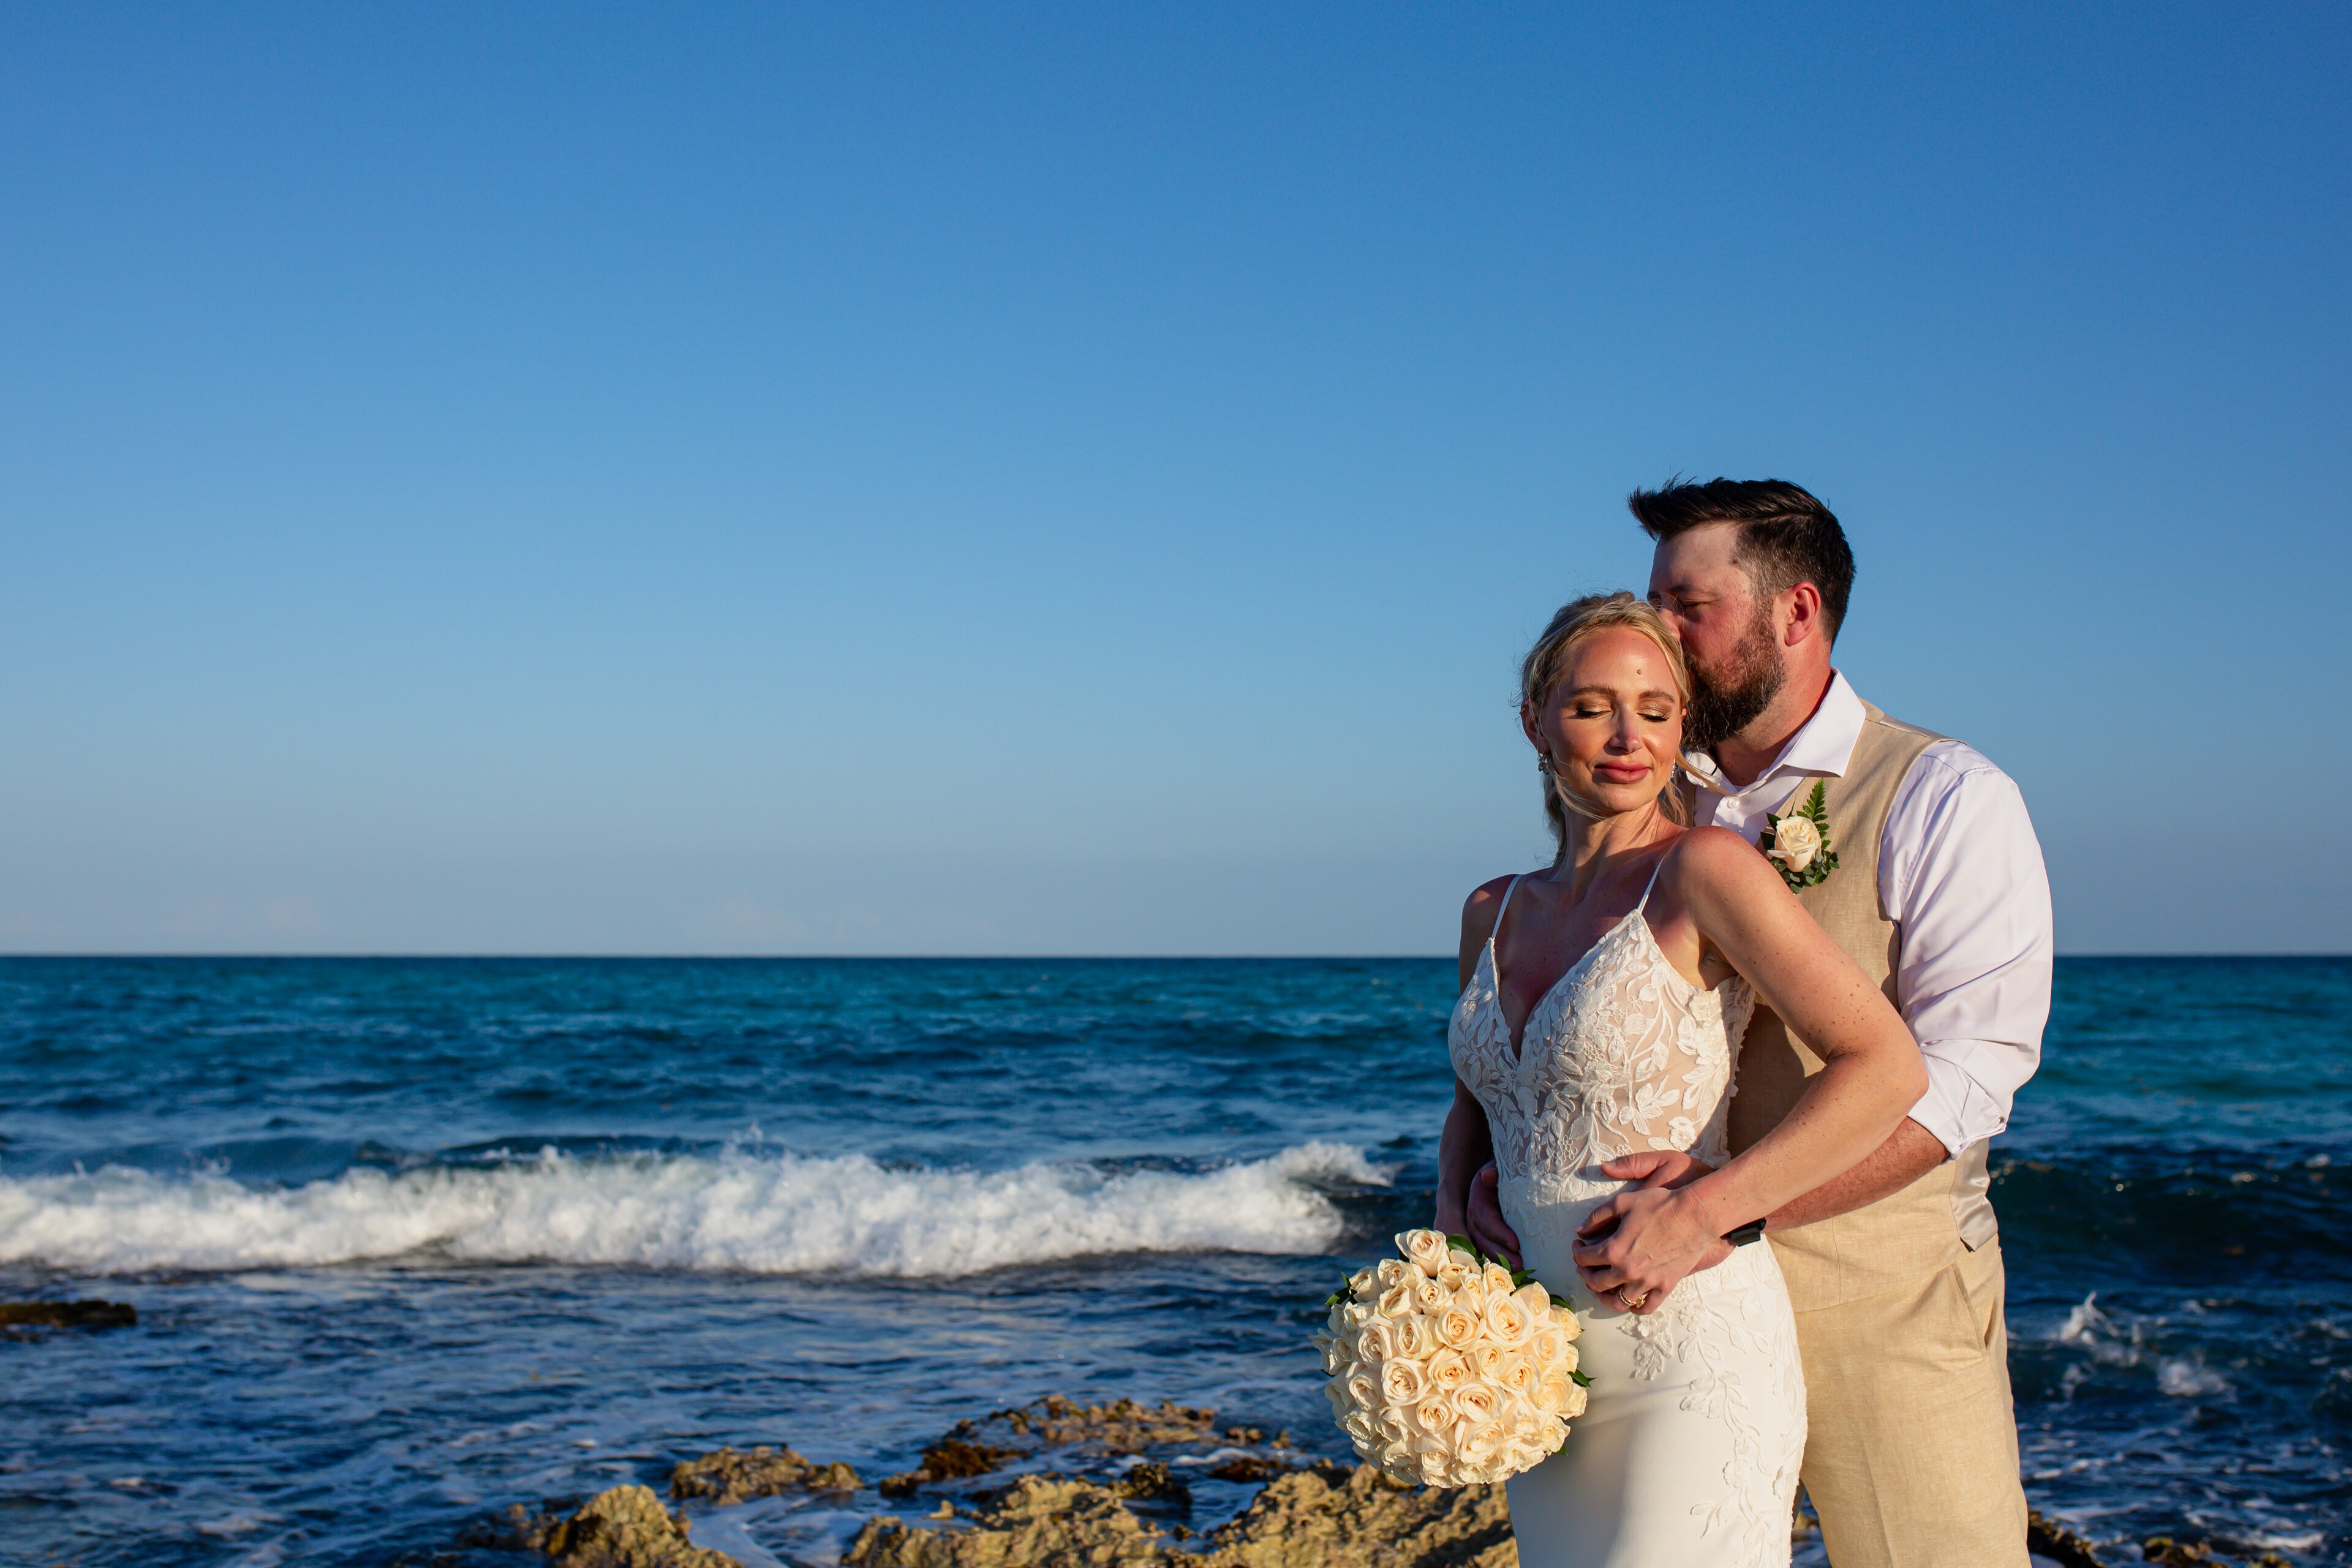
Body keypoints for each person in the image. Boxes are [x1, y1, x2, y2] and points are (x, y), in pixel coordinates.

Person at [1452, 480, 2053, 1568]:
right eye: (1652, 602)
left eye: (1690, 606)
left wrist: (1724, 1215)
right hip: (1625, 1304)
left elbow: (1966, 1076)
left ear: (1795, 611)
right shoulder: (1646, 789)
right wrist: (1496, 1182)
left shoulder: (1942, 795)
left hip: (1883, 1301)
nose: (1658, 636)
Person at [1436, 590, 1929, 1567]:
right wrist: (1454, 1212)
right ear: (1536, 720)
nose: (1627, 737)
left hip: (1688, 1354)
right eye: (1592, 707)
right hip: (1540, 1366)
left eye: (1656, 712)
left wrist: (1713, 1208)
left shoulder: (1705, 871)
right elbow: (1477, 1097)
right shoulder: (1491, 908)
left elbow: (1886, 1066)